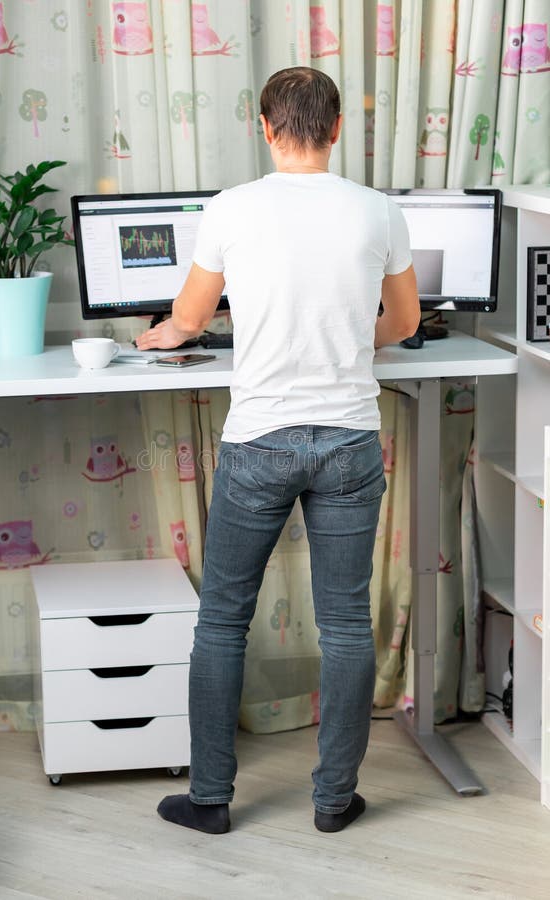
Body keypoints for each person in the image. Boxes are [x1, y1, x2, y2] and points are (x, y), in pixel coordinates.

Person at [136, 66, 419, 835]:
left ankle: (211, 799)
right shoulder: (377, 210)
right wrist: (336, 337)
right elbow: (402, 322)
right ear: (334, 130)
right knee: (348, 626)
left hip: (259, 439)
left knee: (223, 620)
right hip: (350, 438)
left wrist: (162, 334)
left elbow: (192, 319)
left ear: (265, 128)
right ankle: (333, 802)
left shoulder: (231, 209)